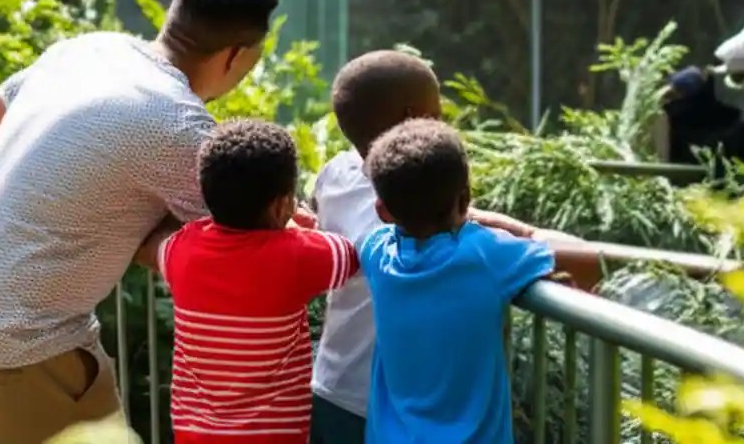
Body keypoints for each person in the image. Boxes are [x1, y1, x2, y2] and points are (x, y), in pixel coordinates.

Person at [0, 0, 282, 443]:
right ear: (236, 56)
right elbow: (238, 247)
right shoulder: (179, 127)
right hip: (22, 349)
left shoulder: (91, 50)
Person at [308, 50, 547, 444]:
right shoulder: (405, 208)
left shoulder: (334, 175)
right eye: (436, 114)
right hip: (382, 405)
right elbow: (443, 220)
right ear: (409, 118)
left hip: (336, 382)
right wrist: (525, 230)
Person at [358, 118, 596, 443]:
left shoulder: (375, 251)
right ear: (466, 198)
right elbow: (587, 259)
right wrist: (520, 229)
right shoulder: (484, 256)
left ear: (382, 210)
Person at [157, 118, 358, 443]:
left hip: (195, 436)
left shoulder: (180, 250)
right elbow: (348, 255)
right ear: (281, 206)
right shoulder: (297, 256)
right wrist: (302, 227)